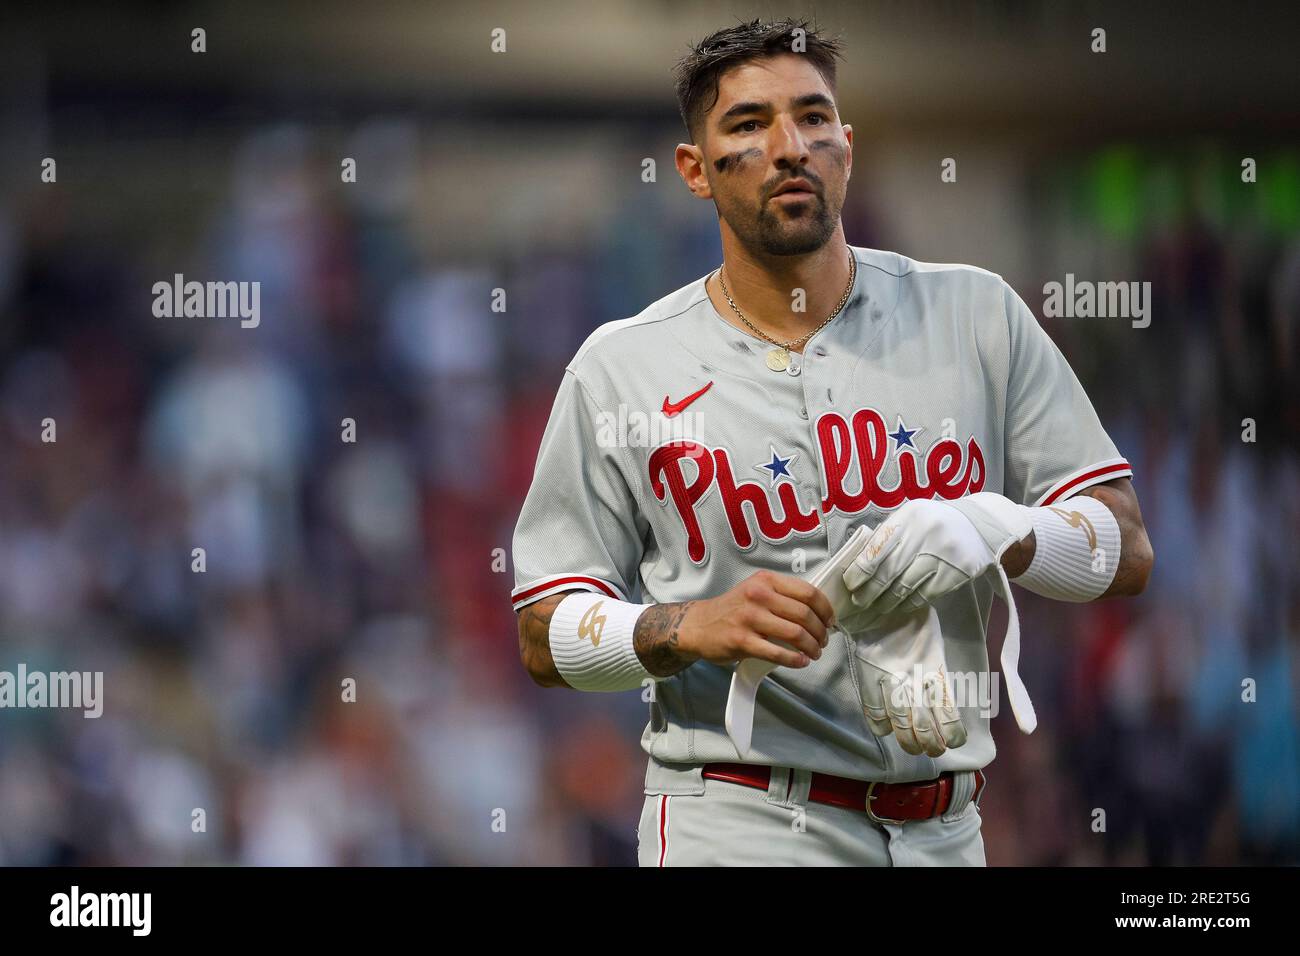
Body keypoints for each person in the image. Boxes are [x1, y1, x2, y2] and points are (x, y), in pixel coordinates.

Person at [511, 17, 1154, 866]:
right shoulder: (622, 366)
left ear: (846, 146)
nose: (790, 146)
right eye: (748, 124)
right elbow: (544, 631)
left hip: (947, 828)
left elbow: (1127, 550)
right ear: (694, 171)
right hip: (739, 818)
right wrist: (689, 625)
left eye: (813, 118)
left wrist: (999, 528)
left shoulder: (977, 314)